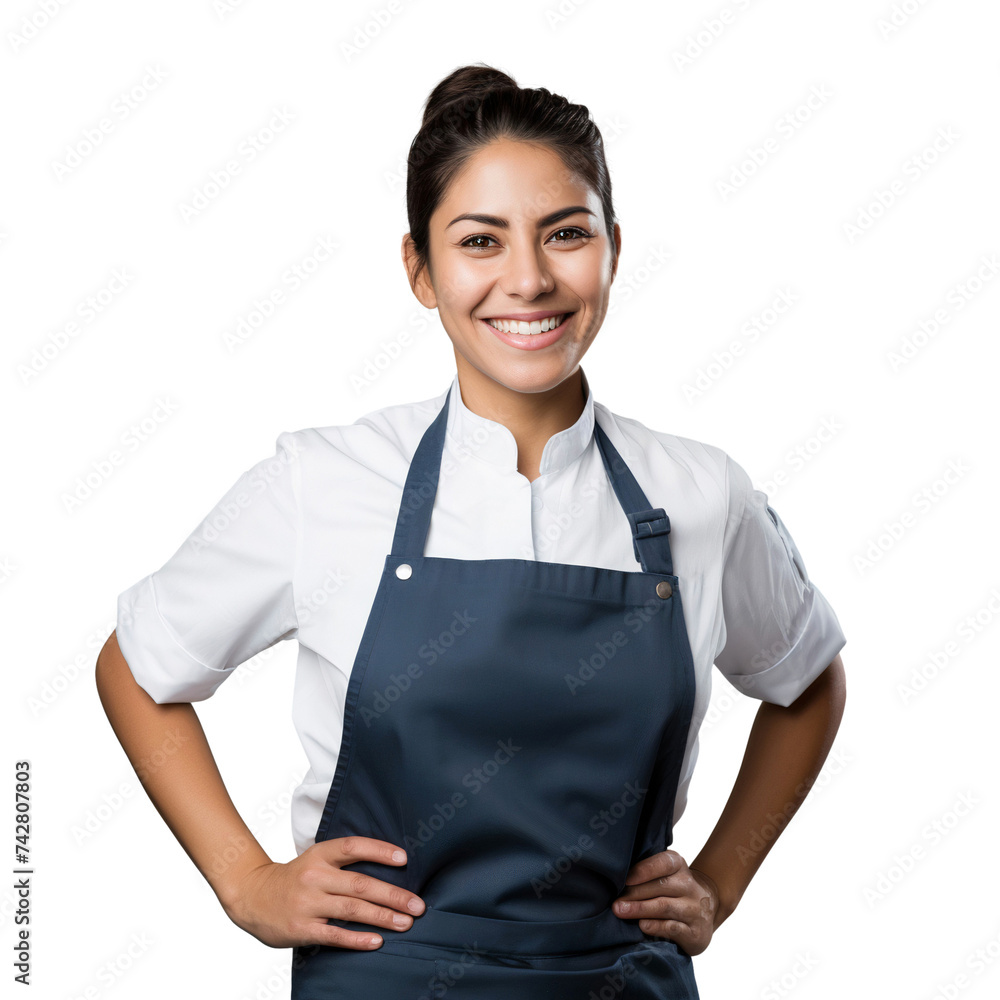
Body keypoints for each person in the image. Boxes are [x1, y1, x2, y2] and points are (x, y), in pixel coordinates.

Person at [96, 63, 847, 999]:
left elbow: (806, 681)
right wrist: (246, 883)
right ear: (420, 269)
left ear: (613, 247)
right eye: (479, 241)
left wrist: (720, 884)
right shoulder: (324, 483)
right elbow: (136, 664)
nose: (527, 280)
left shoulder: (700, 493)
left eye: (565, 234)